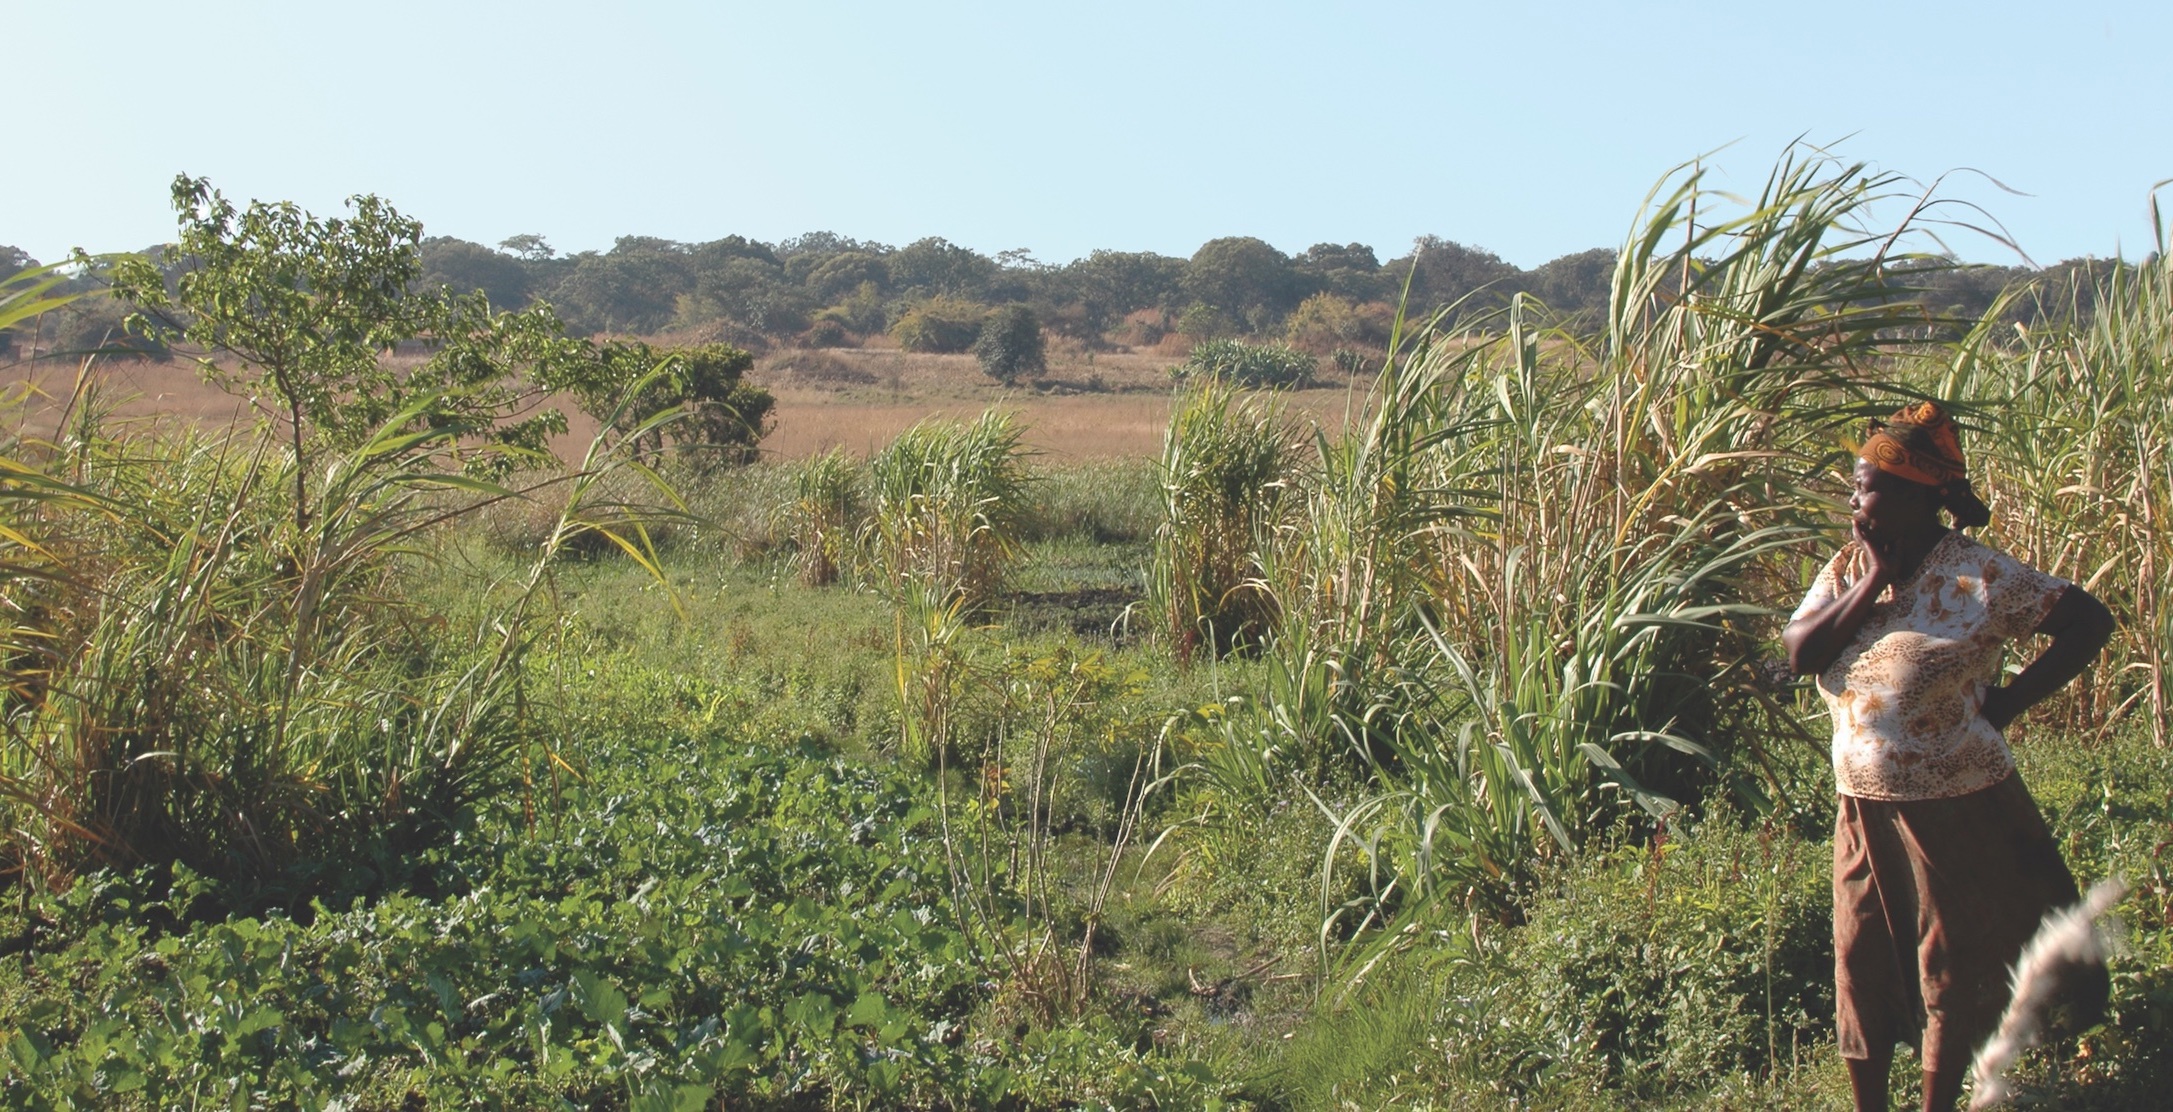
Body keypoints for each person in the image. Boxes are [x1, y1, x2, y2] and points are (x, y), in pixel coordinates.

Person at [1780, 402, 2115, 1112]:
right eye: (1855, 485)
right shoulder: (1849, 566)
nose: (1853, 500)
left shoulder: (1977, 576)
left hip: (1953, 807)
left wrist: (2009, 704)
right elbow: (1801, 654)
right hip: (1861, 807)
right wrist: (1873, 577)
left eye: (1867, 487)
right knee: (1859, 962)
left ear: (1916, 495)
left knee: (1948, 969)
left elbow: (2089, 622)